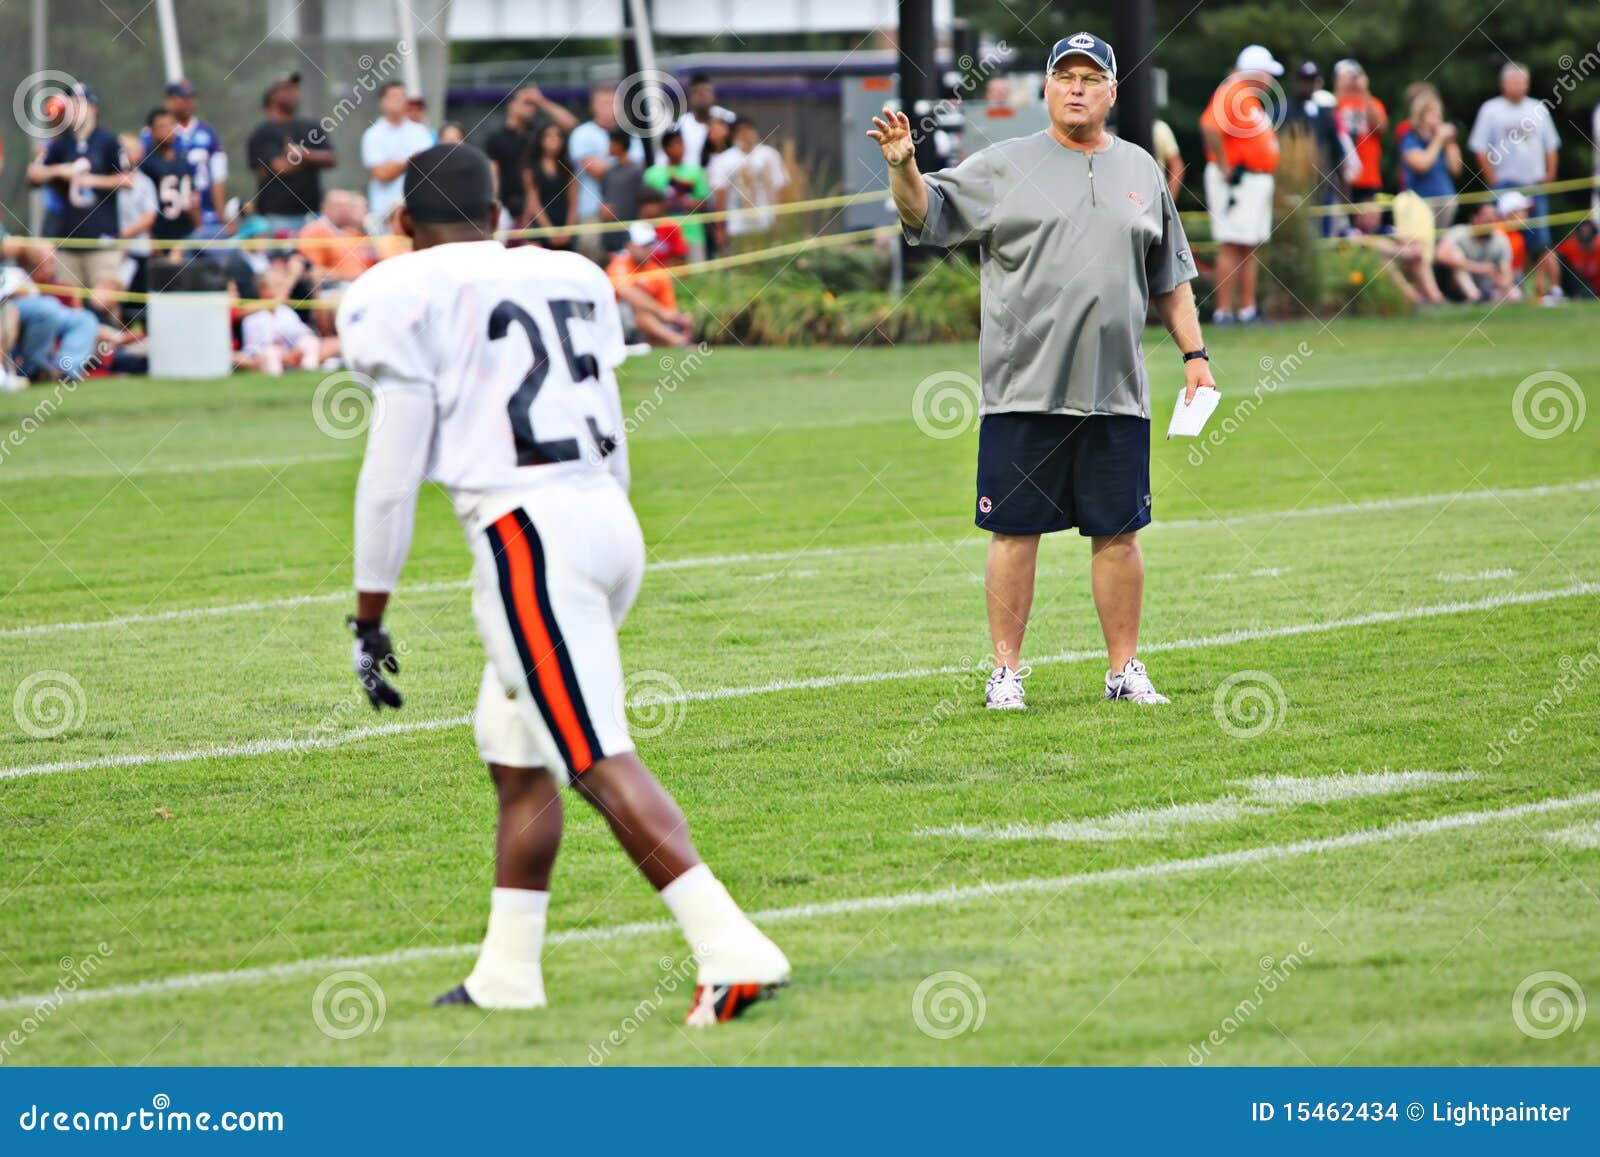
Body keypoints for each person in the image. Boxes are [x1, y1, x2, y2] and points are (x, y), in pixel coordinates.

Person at [334, 143, 789, 1023]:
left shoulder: (402, 292)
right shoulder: (568, 274)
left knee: (589, 751)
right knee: (516, 750)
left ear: (401, 223)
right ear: (500, 214)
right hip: (606, 523)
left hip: (528, 537)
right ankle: (509, 970)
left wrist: (369, 613)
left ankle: (731, 943)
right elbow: (612, 425)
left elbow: (390, 474)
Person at [871, 30, 1213, 710]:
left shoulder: (1143, 170)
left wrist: (1195, 356)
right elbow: (925, 212)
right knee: (1013, 532)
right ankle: (1005, 673)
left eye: (1092, 77)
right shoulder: (1004, 164)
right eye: (1066, 76)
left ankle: (1123, 671)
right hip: (1022, 388)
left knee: (1119, 535)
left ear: (1113, 92)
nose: (1078, 87)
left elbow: (1170, 277)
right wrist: (903, 166)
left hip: (1116, 393)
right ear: (1048, 88)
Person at [1200, 45, 1282, 325]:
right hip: (1237, 181)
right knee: (1232, 243)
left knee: (1250, 244)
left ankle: (1247, 309)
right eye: (1267, 73)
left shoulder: (1248, 99)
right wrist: (1225, 166)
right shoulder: (1232, 92)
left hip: (1254, 180)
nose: (1271, 79)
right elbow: (1210, 127)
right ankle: (1224, 311)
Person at [1468, 62, 1561, 303]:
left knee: (1541, 241)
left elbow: (1551, 145)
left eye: (1522, 81)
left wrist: (1549, 176)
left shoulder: (1538, 108)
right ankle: (1499, 289)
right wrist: (1493, 180)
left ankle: (1549, 291)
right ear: (1503, 83)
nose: (1518, 85)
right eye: (1514, 80)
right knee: (1498, 239)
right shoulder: (1491, 110)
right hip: (1504, 185)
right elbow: (1479, 148)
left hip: (1533, 184)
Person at [25, 84, 132, 293]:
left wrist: (92, 181)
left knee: (104, 300)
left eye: (77, 104)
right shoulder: (61, 144)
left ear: (92, 108)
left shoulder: (108, 141)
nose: (72, 110)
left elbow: (127, 179)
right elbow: (33, 175)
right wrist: (59, 170)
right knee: (69, 301)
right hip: (68, 240)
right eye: (70, 104)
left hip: (102, 239)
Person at [247, 72, 337, 233]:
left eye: (295, 89)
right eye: (287, 89)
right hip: (277, 216)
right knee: (282, 258)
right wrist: (312, 159)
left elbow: (331, 158)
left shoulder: (310, 125)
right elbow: (281, 168)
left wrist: (301, 154)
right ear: (273, 95)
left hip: (312, 214)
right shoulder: (263, 131)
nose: (294, 94)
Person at [484, 84, 576, 229]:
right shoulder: (496, 139)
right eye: (527, 103)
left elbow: (570, 123)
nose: (531, 108)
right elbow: (493, 174)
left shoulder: (537, 133)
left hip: (540, 210)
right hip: (507, 210)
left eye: (533, 105)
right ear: (511, 105)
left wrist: (541, 101)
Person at [138, 79, 227, 225]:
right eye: (183, 98)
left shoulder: (207, 132)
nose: (188, 102)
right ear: (170, 100)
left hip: (205, 212)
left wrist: (221, 215)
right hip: (167, 216)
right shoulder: (151, 135)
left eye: (191, 97)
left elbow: (218, 176)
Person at [569, 85, 646, 245]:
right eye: (603, 103)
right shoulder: (581, 133)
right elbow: (596, 170)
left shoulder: (631, 133)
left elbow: (638, 169)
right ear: (593, 106)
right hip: (592, 211)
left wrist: (612, 163)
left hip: (628, 211)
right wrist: (622, 162)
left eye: (613, 103)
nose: (609, 108)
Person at [607, 221, 693, 347]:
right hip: (617, 322)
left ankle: (663, 339)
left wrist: (680, 320)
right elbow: (626, 292)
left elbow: (669, 310)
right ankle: (676, 340)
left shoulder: (658, 271)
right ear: (629, 246)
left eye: (650, 244)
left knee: (682, 320)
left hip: (649, 324)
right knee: (635, 308)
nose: (648, 249)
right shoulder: (618, 265)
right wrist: (661, 312)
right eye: (643, 245)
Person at [1282, 61, 1345, 234]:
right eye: (1304, 80)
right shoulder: (1284, 111)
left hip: (1320, 187)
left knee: (1322, 237)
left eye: (1311, 80)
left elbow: (1336, 151)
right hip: (1292, 187)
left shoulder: (1324, 114)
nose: (1307, 85)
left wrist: (1342, 186)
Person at [707, 118, 789, 247]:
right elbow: (720, 195)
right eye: (741, 131)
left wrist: (780, 221)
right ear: (734, 135)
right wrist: (720, 229)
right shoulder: (724, 159)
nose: (746, 134)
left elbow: (780, 187)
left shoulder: (769, 155)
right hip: (736, 226)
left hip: (766, 223)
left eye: (749, 129)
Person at [361, 81, 436, 220]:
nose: (401, 101)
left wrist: (396, 165)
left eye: (403, 96)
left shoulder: (421, 132)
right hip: (384, 212)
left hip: (418, 210)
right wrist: (411, 161)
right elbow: (381, 174)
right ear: (383, 102)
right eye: (395, 97)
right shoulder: (372, 135)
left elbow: (429, 167)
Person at [643, 128, 712, 262]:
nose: (679, 148)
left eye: (681, 144)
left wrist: (689, 203)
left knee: (697, 276)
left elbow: (705, 201)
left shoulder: (696, 172)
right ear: (665, 148)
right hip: (662, 239)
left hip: (692, 234)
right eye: (674, 144)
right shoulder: (652, 174)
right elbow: (645, 205)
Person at [138, 108, 201, 249]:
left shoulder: (184, 161)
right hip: (160, 234)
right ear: (152, 130)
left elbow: (194, 200)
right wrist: (151, 238)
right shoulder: (146, 164)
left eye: (170, 125)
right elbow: (142, 205)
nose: (167, 131)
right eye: (161, 127)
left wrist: (199, 231)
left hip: (186, 233)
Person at [1399, 91, 1462, 228]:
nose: (1438, 118)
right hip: (1420, 205)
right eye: (1433, 114)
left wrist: (1450, 142)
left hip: (1445, 202)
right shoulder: (1410, 139)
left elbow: (1456, 169)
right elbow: (1422, 165)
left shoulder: (1444, 141)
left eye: (1440, 114)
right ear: (1421, 116)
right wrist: (1438, 139)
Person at [1435, 199, 1517, 303]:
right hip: (1455, 283)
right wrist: (1478, 268)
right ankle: (1475, 297)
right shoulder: (1459, 232)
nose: (1491, 219)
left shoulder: (1500, 238)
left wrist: (1502, 281)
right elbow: (1439, 255)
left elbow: (1506, 271)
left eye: (1493, 215)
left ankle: (1487, 298)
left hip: (1489, 284)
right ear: (1474, 218)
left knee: (1515, 295)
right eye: (1486, 216)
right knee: (1455, 253)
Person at [1333, 60, 1387, 200]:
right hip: (1340, 178)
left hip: (1368, 178)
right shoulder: (1333, 102)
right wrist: (1341, 89)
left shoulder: (1372, 103)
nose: (1351, 81)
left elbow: (1381, 126)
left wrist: (1364, 91)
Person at [666, 74, 736, 168]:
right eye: (696, 92)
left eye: (705, 91)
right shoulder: (678, 126)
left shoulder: (729, 119)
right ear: (689, 98)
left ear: (713, 95)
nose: (701, 95)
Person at [528, 123, 577, 249]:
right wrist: (549, 231)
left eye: (558, 136)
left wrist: (568, 230)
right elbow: (534, 203)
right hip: (541, 226)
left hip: (564, 224)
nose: (554, 140)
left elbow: (573, 201)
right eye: (548, 136)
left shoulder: (568, 167)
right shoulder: (531, 168)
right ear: (540, 140)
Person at [1555, 220, 1600, 298]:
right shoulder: (1570, 246)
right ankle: (1555, 292)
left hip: (1594, 288)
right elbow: (1549, 256)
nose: (1584, 246)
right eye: (1582, 242)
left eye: (1588, 242)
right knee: (1557, 259)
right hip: (1576, 284)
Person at [1150, 118, 1184, 201]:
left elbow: (1176, 166)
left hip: (1155, 197)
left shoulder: (1160, 128)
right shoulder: (1160, 128)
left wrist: (1168, 202)